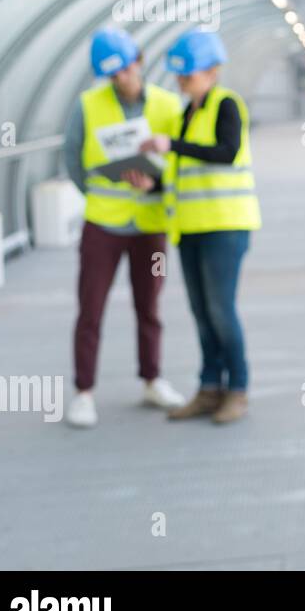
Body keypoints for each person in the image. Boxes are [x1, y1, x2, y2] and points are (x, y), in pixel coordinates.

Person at [136, 28, 261, 425]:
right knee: (201, 312)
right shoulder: (183, 114)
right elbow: (182, 172)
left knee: (222, 310)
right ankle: (209, 388)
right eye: (179, 76)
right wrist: (151, 183)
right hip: (189, 229)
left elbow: (226, 153)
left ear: (211, 71)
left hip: (225, 227)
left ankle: (237, 389)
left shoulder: (227, 105)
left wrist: (171, 145)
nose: (181, 82)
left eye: (187, 76)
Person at [63, 28, 187, 428]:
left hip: (150, 225)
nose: (122, 80)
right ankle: (83, 392)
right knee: (91, 308)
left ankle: (152, 379)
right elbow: (74, 160)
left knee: (149, 305)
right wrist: (104, 188)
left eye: (126, 70)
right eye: (113, 76)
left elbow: (181, 161)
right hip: (103, 224)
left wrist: (157, 183)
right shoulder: (87, 105)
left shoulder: (169, 105)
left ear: (139, 60)